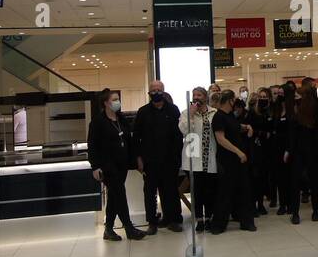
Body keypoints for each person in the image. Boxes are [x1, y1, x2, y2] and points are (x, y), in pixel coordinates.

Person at [87, 88, 146, 241]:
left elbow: (129, 140)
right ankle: (129, 227)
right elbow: (92, 145)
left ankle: (108, 229)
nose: (117, 102)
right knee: (119, 194)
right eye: (114, 99)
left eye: (117, 99)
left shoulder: (121, 119)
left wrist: (135, 159)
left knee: (114, 196)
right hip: (107, 165)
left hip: (122, 164)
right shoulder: (98, 122)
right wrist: (95, 166)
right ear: (106, 103)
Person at [133, 79, 184, 234]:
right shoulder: (142, 112)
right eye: (153, 90)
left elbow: (178, 136)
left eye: (159, 90)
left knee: (171, 191)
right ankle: (152, 222)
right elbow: (136, 137)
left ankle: (173, 220)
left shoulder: (173, 110)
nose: (156, 92)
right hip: (150, 160)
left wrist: (177, 157)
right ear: (149, 93)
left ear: (163, 91)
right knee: (150, 192)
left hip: (170, 159)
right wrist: (138, 159)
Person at [209, 90, 256, 233]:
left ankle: (246, 221)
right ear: (229, 100)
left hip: (239, 161)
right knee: (225, 192)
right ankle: (218, 225)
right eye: (234, 99)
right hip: (228, 160)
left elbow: (235, 127)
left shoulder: (230, 116)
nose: (235, 102)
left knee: (244, 190)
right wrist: (238, 152)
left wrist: (246, 127)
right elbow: (221, 139)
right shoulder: (218, 117)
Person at [180, 86, 219, 232]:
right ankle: (199, 220)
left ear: (205, 97)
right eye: (194, 95)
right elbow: (185, 131)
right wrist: (191, 115)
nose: (196, 97)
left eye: (200, 95)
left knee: (209, 191)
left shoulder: (213, 112)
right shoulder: (186, 113)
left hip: (209, 157)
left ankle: (209, 217)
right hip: (194, 159)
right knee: (197, 192)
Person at [285, 80, 318, 224]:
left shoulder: (315, 110)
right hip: (299, 151)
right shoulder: (295, 110)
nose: (295, 98)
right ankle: (296, 212)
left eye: (298, 96)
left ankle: (314, 211)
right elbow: (291, 133)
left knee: (313, 181)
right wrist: (288, 150)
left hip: (310, 150)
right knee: (296, 182)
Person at [248, 86, 275, 216]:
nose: (263, 99)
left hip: (268, 148)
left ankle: (261, 204)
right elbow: (251, 129)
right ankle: (253, 204)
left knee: (264, 177)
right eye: (261, 97)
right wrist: (262, 134)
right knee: (256, 177)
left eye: (265, 97)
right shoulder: (253, 112)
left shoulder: (271, 112)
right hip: (256, 148)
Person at [273, 80, 297, 214]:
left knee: (290, 178)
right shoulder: (276, 109)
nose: (280, 96)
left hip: (289, 147)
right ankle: (283, 204)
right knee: (280, 178)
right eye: (278, 94)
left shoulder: (292, 109)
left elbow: (292, 132)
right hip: (277, 147)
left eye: (282, 93)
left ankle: (292, 204)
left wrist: (289, 149)